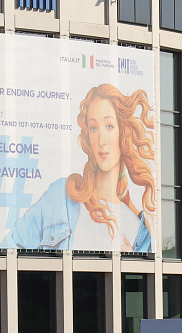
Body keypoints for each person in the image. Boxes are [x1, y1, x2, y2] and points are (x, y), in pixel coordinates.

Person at [8, 81, 156, 251]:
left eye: (109, 126)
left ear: (123, 132)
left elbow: (140, 277)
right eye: (93, 128)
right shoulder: (62, 196)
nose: (101, 140)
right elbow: (9, 250)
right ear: (87, 136)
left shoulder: (138, 230)